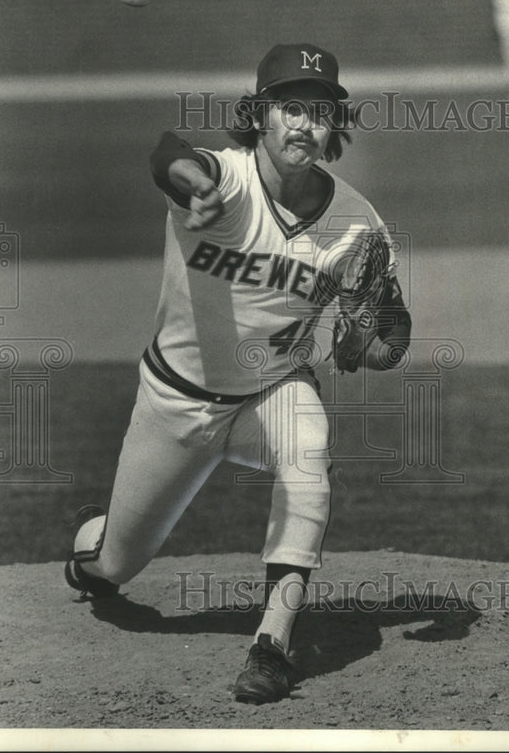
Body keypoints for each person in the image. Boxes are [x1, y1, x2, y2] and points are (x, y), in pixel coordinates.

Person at [65, 43, 411, 705]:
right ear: (259, 114)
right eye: (289, 108)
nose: (304, 124)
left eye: (319, 111)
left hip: (270, 394)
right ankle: (94, 541)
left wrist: (366, 342)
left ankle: (272, 644)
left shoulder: (359, 225)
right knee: (113, 564)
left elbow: (390, 335)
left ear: (334, 126)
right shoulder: (223, 181)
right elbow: (169, 156)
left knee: (308, 449)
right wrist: (193, 188)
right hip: (174, 404)